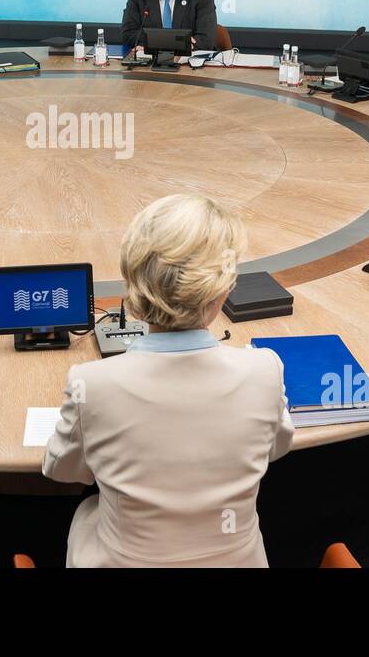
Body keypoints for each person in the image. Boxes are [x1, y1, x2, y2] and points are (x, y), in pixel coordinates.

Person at [42, 193, 294, 567]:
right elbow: (276, 448)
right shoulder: (265, 370)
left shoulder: (90, 384)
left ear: (132, 283)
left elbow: (61, 469)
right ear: (223, 289)